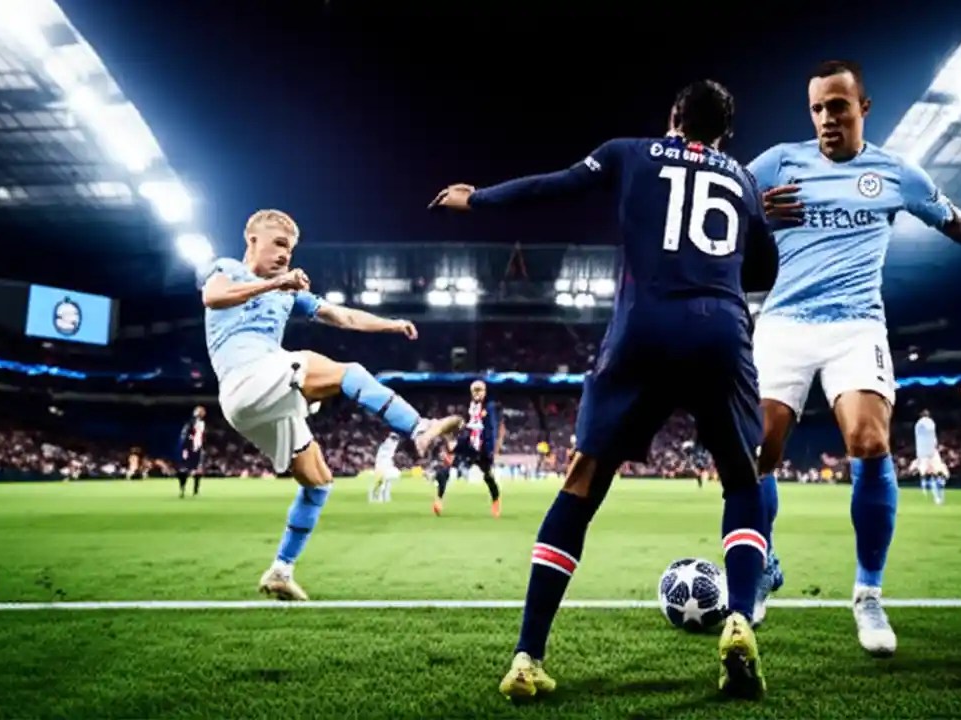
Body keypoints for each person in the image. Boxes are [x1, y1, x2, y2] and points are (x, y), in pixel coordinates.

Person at [430, 80, 779, 700]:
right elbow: (764, 271)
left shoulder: (630, 151)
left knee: (583, 480)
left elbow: (554, 187)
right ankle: (740, 616)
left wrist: (476, 198)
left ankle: (528, 656)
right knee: (742, 480)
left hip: (643, 329)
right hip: (722, 331)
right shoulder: (743, 178)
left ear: (672, 116)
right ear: (725, 134)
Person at [745, 59, 961, 656]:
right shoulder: (779, 161)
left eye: (838, 106)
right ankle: (761, 566)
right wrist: (756, 212)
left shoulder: (895, 172)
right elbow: (722, 201)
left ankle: (868, 594)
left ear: (863, 108)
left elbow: (955, 224)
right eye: (818, 108)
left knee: (870, 442)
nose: (827, 118)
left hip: (856, 326)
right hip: (782, 323)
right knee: (759, 451)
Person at [199, 209, 463, 601]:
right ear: (252, 240)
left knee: (319, 481)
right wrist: (274, 286)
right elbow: (213, 297)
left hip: (263, 396)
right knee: (348, 372)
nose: (285, 254)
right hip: (245, 377)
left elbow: (342, 316)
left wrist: (391, 323)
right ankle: (418, 427)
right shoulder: (228, 270)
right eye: (278, 244)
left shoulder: (289, 292)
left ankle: (280, 570)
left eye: (290, 248)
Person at [435, 380, 504, 517]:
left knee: (488, 475)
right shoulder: (469, 406)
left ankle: (495, 501)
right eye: (475, 391)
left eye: (480, 391)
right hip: (468, 441)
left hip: (482, 445)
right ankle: (438, 499)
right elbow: (464, 424)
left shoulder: (489, 407)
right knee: (446, 466)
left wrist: (491, 449)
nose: (477, 393)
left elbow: (493, 428)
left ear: (484, 392)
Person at [911, 410, 947, 505]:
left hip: (923, 453)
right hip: (931, 452)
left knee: (931, 475)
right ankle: (937, 495)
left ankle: (931, 491)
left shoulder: (918, 424)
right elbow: (933, 438)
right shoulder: (930, 423)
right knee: (936, 475)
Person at [177, 405, 207, 498]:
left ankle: (195, 491)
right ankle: (182, 489)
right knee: (184, 469)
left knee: (197, 470)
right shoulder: (190, 423)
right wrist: (186, 446)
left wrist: (201, 446)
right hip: (189, 449)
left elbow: (201, 436)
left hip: (198, 449)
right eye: (200, 411)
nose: (202, 413)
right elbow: (185, 435)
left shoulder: (202, 423)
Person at [370, 432, 401, 503]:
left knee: (387, 481)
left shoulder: (389, 444)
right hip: (381, 465)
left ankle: (384, 497)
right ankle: (377, 496)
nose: (396, 440)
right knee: (381, 482)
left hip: (387, 464)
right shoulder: (389, 444)